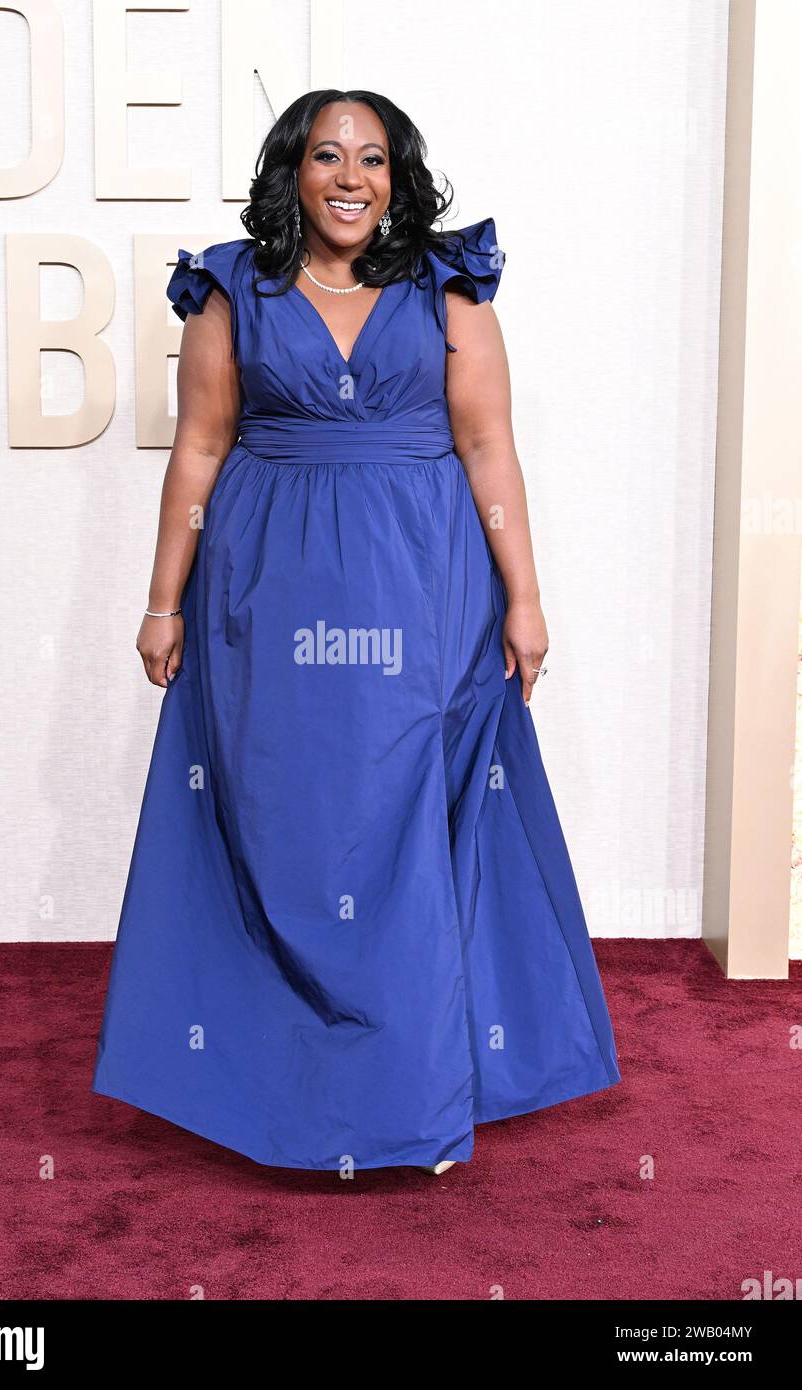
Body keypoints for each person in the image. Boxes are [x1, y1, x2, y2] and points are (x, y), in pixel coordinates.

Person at [92, 88, 621, 1175]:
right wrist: (161, 598)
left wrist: (524, 596)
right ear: (291, 168)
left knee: (402, 834)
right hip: (262, 593)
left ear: (399, 174)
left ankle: (411, 1100)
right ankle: (275, 1092)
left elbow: (489, 449)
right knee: (283, 828)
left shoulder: (450, 283)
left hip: (423, 592)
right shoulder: (230, 285)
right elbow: (198, 449)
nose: (350, 178)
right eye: (327, 155)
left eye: (373, 159)